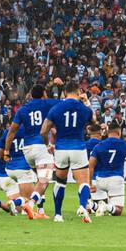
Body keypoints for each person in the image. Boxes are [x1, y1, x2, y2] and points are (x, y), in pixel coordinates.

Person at [40, 80, 95, 224]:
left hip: (61, 149)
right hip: (78, 147)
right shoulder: (83, 108)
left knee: (60, 182)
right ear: (78, 92)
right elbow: (95, 122)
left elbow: (43, 130)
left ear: (65, 92)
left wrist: (48, 144)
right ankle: (82, 206)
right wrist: (87, 102)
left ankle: (58, 215)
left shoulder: (56, 108)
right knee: (83, 182)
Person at [1, 83, 56, 218]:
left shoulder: (22, 109)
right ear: (44, 94)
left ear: (31, 95)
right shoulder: (47, 103)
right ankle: (30, 205)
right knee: (44, 180)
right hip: (41, 147)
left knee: (41, 181)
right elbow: (68, 102)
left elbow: (12, 131)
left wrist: (7, 151)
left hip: (28, 150)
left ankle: (37, 209)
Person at [87, 125, 126, 217]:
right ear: (119, 133)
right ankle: (106, 207)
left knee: (99, 205)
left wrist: (90, 183)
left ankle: (90, 204)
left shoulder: (99, 145)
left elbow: (91, 165)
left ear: (108, 133)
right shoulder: (124, 144)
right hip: (116, 180)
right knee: (118, 210)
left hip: (100, 179)